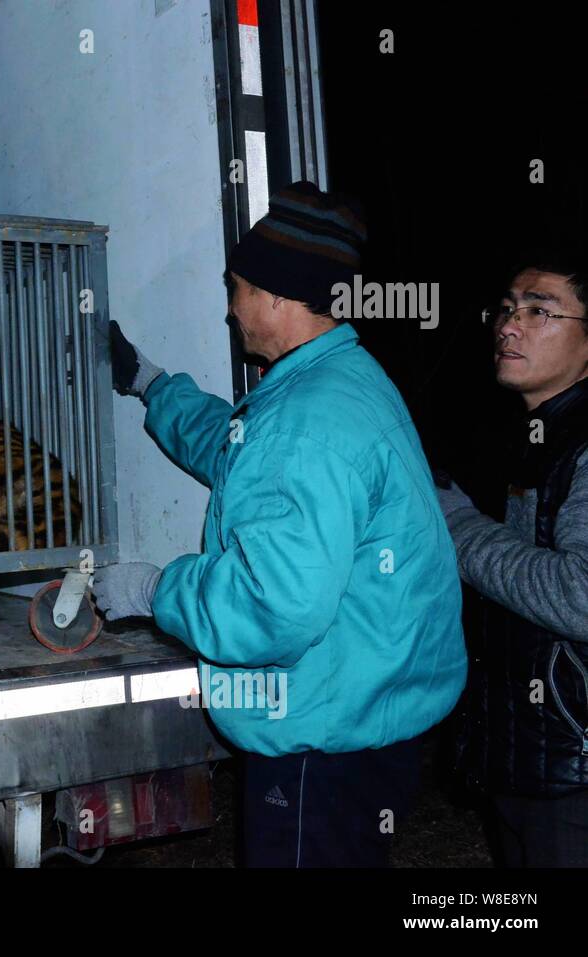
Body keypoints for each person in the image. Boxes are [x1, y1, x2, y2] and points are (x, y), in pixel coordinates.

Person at [93, 181, 467, 866]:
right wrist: (152, 384)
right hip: (365, 722)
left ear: (275, 295)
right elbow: (236, 450)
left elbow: (275, 602)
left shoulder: (308, 419)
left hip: (320, 743)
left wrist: (153, 591)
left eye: (235, 287)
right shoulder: (335, 379)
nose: (230, 306)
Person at [437, 253, 588, 867]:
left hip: (574, 774)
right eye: (506, 308)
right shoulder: (534, 438)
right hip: (531, 758)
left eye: (539, 311)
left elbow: (580, 596)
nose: (508, 324)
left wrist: (459, 527)